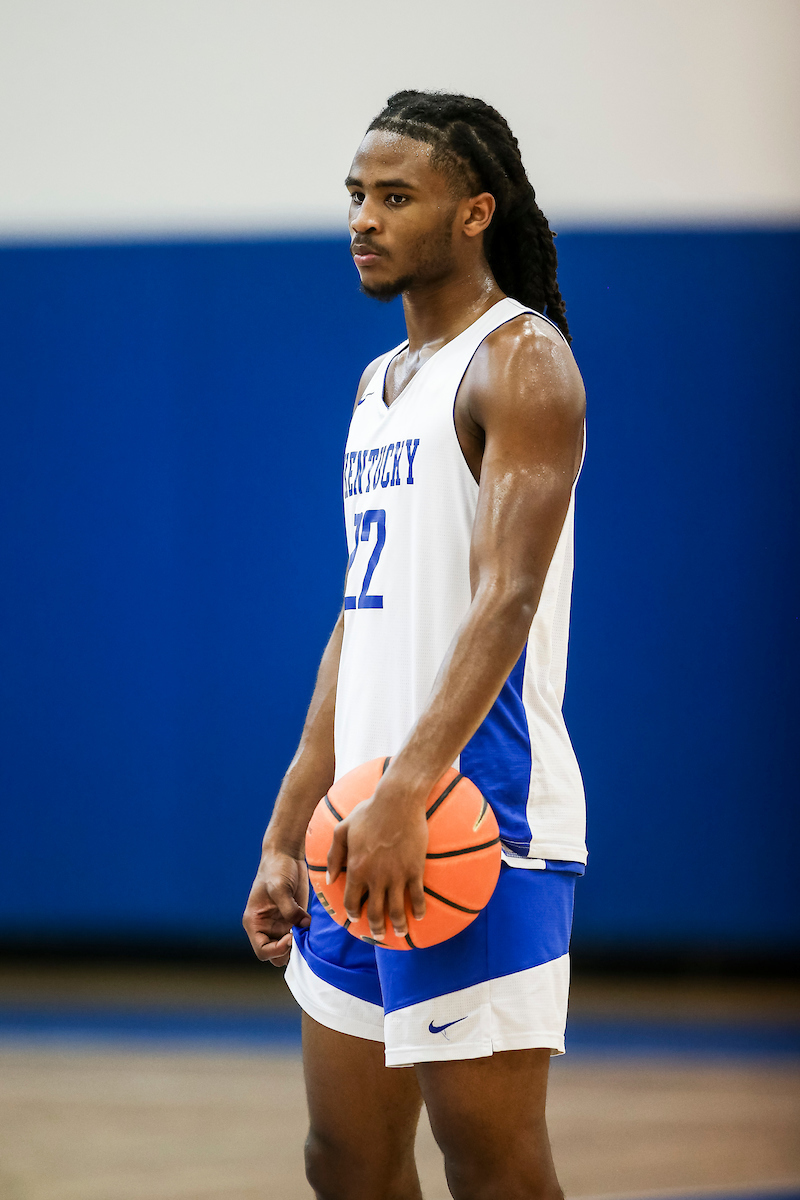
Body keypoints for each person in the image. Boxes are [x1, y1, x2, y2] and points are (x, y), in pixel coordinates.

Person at [243, 89, 587, 1200]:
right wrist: (293, 820)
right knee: (341, 1155)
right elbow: (361, 612)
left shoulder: (520, 363)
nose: (363, 218)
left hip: (469, 807)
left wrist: (412, 785)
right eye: (355, 195)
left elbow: (507, 597)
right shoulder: (375, 385)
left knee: (488, 1160)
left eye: (396, 197)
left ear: (474, 211)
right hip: (363, 811)